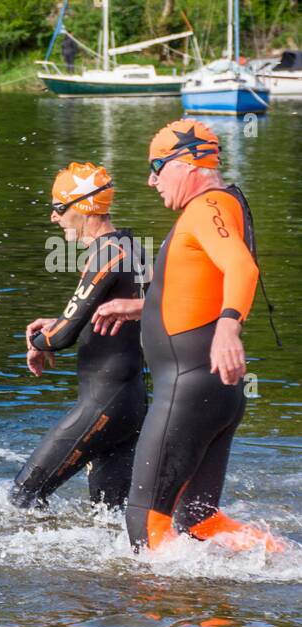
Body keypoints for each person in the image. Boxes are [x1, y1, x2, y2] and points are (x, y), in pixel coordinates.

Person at [93, 119, 280, 552]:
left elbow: (241, 267)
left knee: (143, 518)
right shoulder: (211, 209)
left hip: (189, 387)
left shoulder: (207, 208)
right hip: (213, 391)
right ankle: (284, 566)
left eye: (158, 166)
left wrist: (229, 327)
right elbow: (198, 287)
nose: (151, 179)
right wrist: (142, 307)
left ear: (189, 163)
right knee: (199, 520)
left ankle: (163, 617)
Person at [13, 162, 146, 510]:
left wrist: (37, 342)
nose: (54, 219)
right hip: (130, 403)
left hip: (103, 404)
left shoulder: (107, 254)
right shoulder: (132, 248)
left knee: (21, 497)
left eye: (59, 208)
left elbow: (64, 335)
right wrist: (55, 322)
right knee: (108, 520)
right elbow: (95, 315)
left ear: (83, 207)